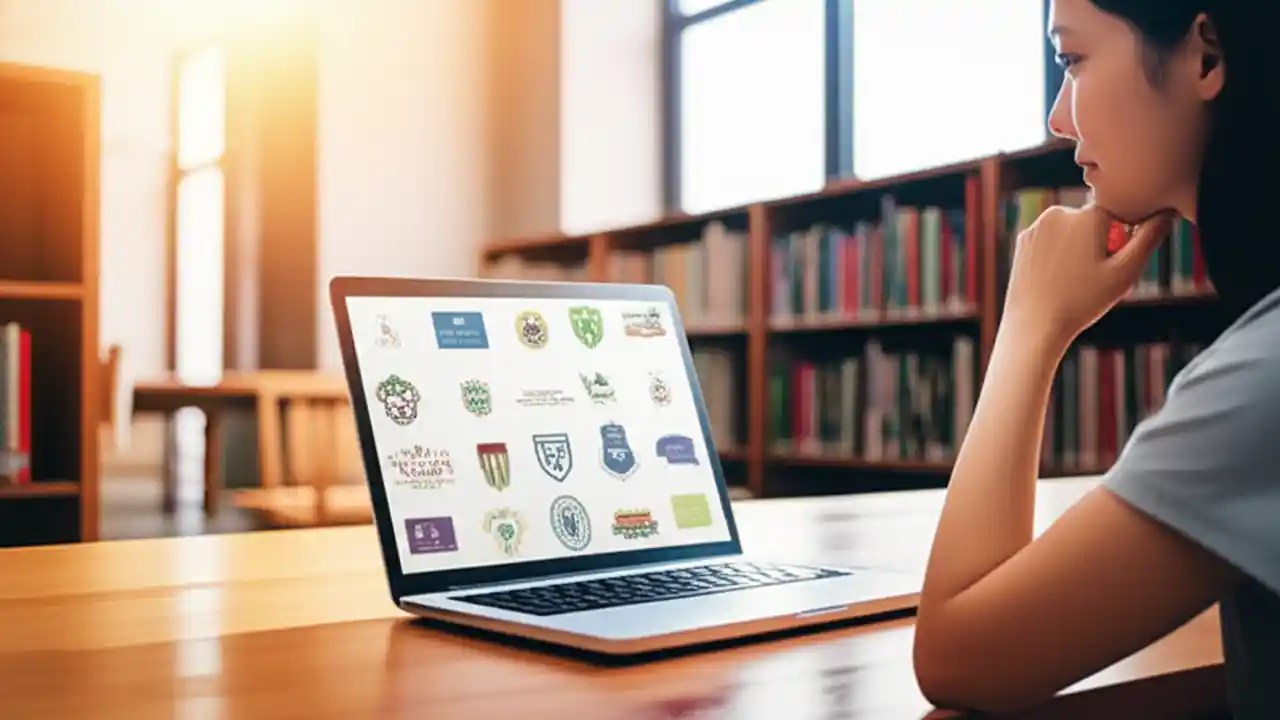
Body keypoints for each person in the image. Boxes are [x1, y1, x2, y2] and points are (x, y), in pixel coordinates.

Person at [912, 1, 1279, 717]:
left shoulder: (1266, 377)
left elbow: (957, 655)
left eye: (1073, 59)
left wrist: (1030, 328)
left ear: (1205, 57)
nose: (1058, 118)